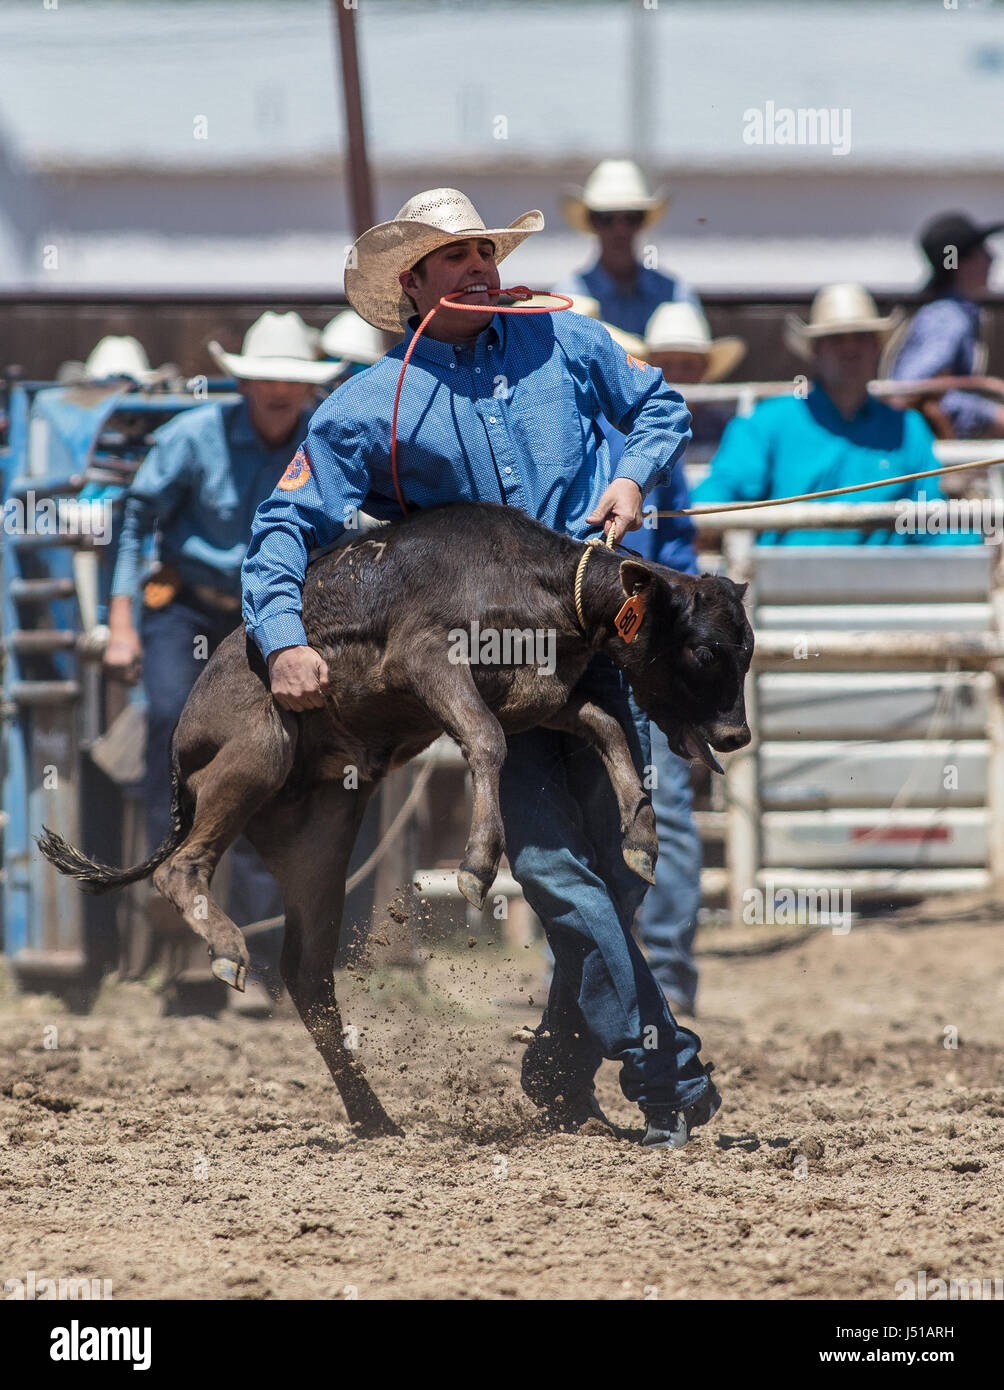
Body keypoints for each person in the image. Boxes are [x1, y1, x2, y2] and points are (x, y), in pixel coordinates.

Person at [242, 187, 721, 1148]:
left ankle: (556, 1061)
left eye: (484, 252)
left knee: (619, 886)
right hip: (500, 667)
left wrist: (631, 476)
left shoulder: (568, 341)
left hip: (605, 633)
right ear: (414, 284)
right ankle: (664, 1064)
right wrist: (284, 635)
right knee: (551, 864)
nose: (480, 268)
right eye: (456, 258)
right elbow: (282, 524)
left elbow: (659, 404)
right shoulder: (367, 404)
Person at [105, 311, 343, 1014]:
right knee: (173, 748)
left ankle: (258, 960)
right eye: (267, 377)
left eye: (291, 380)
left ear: (307, 389)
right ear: (245, 382)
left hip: (277, 620)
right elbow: (135, 521)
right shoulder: (193, 437)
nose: (278, 390)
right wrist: (122, 622)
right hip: (189, 608)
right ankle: (174, 931)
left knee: (278, 769)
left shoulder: (320, 443)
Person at [615, 302, 747, 1015]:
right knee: (614, 803)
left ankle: (661, 972)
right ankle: (596, 970)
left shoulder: (650, 455)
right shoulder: (633, 448)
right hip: (606, 641)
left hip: (649, 648)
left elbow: (678, 557)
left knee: (659, 800)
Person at [694, 283, 971, 546]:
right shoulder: (766, 423)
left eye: (861, 338)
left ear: (876, 348)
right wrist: (694, 521)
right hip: (783, 588)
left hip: (888, 588)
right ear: (815, 350)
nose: (850, 349)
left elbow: (932, 522)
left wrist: (981, 542)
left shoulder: (908, 429)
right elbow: (723, 490)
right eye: (837, 339)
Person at [889, 212, 1004, 440]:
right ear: (961, 264)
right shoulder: (948, 317)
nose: (992, 259)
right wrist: (991, 414)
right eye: (981, 251)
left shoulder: (951, 313)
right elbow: (907, 390)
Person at [560, 159, 701, 337]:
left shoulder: (674, 293)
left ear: (643, 222)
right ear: (592, 221)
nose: (620, 229)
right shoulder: (568, 296)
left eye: (631, 218)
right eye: (607, 218)